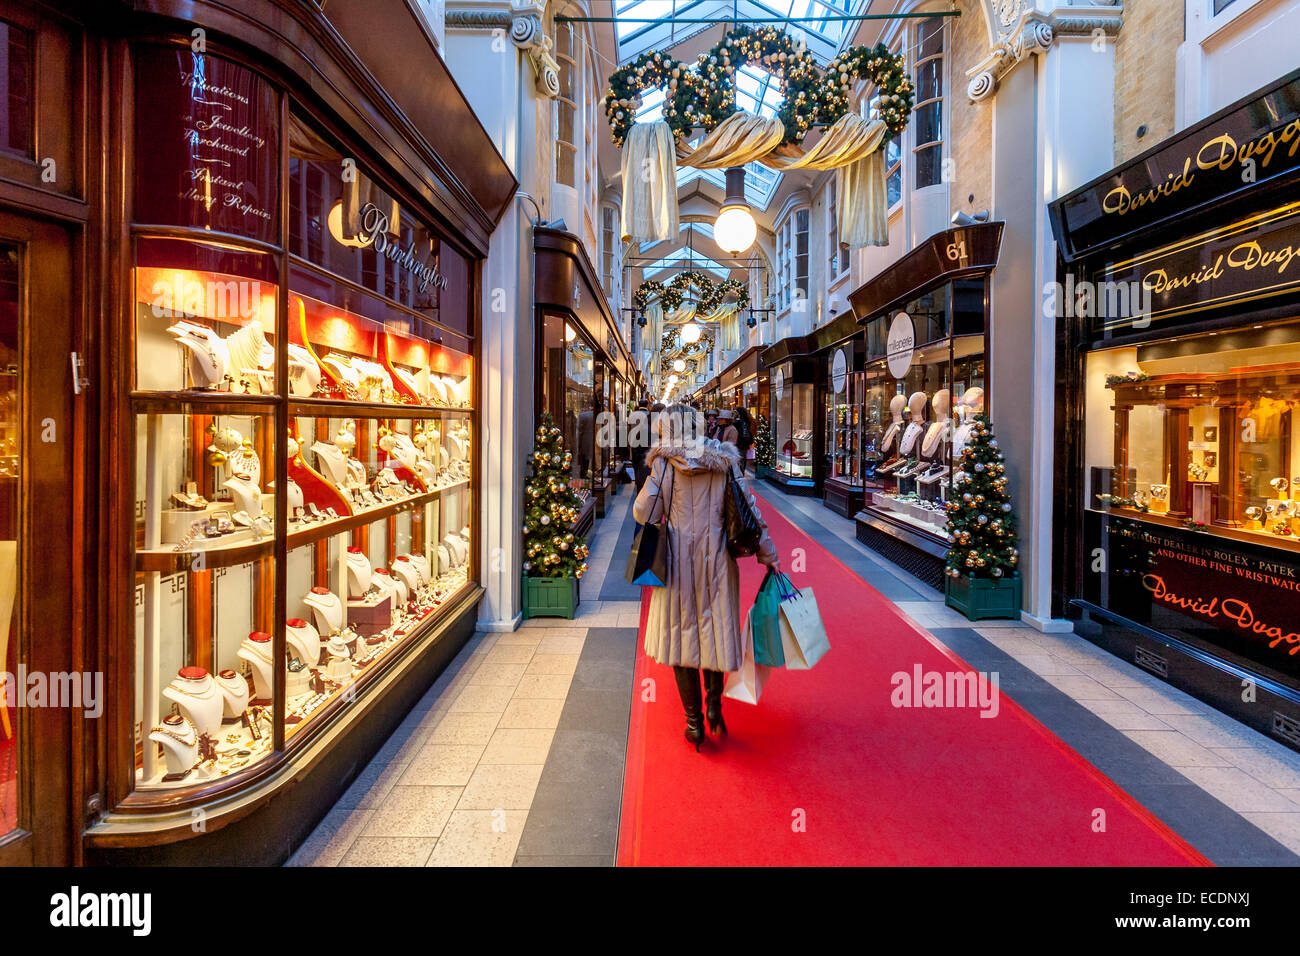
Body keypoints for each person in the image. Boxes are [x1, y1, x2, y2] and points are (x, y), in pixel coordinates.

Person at [633, 404, 780, 751]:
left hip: (677, 562)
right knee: (715, 630)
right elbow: (750, 511)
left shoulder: (664, 464)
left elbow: (644, 512)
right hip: (718, 560)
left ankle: (693, 723)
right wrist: (768, 555)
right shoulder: (725, 461)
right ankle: (714, 705)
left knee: (680, 635)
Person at [733, 407, 755, 475]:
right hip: (743, 445)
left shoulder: (739, 422)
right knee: (742, 460)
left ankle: (739, 476)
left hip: (739, 444)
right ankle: (741, 475)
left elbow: (744, 435)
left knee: (739, 461)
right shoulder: (746, 421)